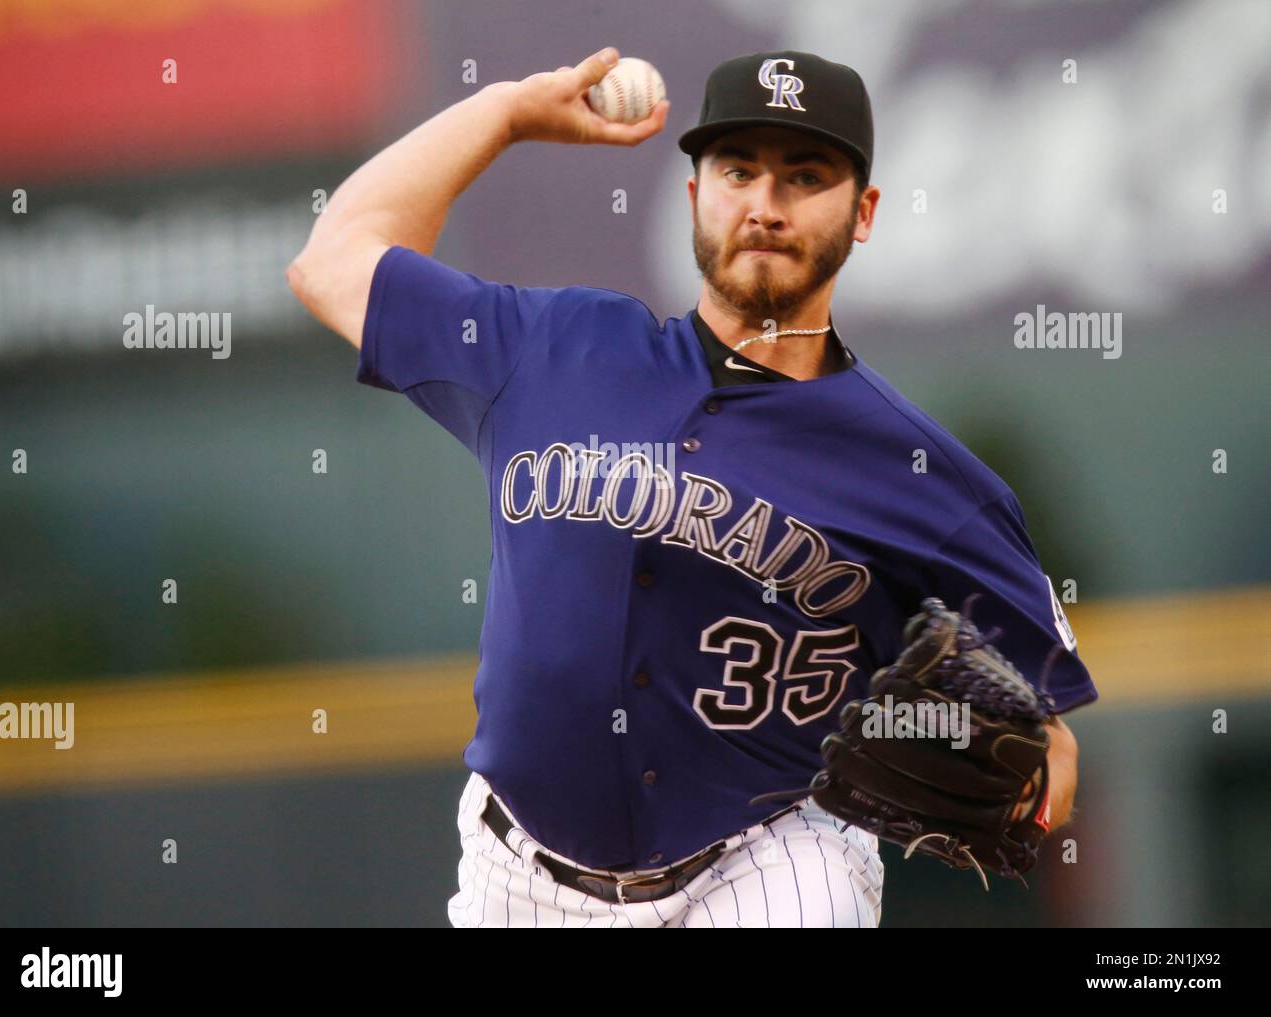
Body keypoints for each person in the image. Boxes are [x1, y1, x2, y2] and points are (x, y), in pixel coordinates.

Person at [287, 48, 1094, 928]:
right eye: (737, 170)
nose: (764, 204)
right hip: (515, 869)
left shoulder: (919, 473)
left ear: (862, 212)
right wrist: (508, 112)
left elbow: (1048, 748)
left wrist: (1010, 776)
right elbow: (330, 261)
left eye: (805, 175)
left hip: (768, 865)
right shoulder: (551, 349)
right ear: (693, 196)